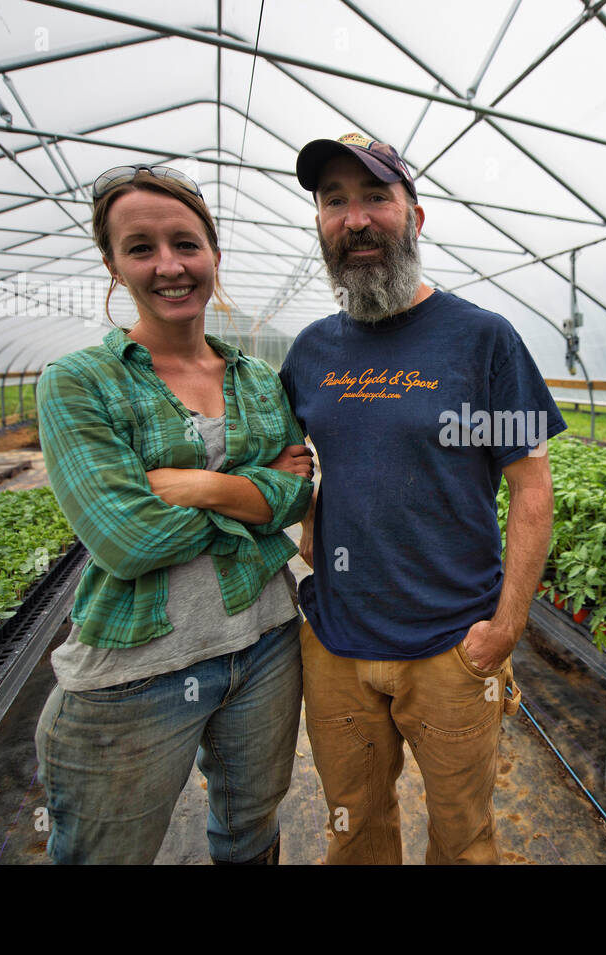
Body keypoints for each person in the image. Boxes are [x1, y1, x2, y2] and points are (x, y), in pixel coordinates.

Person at [280, 133, 566, 864]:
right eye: (334, 201)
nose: (356, 218)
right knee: (353, 828)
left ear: (415, 215)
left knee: (463, 836)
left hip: (451, 648)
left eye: (376, 196)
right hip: (337, 644)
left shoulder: (483, 340)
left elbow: (532, 491)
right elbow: (289, 461)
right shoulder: (310, 352)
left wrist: (504, 630)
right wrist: (311, 516)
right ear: (320, 224)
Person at [33, 164, 314, 864]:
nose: (169, 265)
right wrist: (256, 492)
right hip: (135, 668)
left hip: (266, 641)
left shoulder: (256, 377)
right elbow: (127, 539)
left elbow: (301, 491)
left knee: (250, 830)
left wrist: (202, 487)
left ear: (214, 254)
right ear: (112, 264)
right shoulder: (78, 382)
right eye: (141, 247)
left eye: (186, 243)